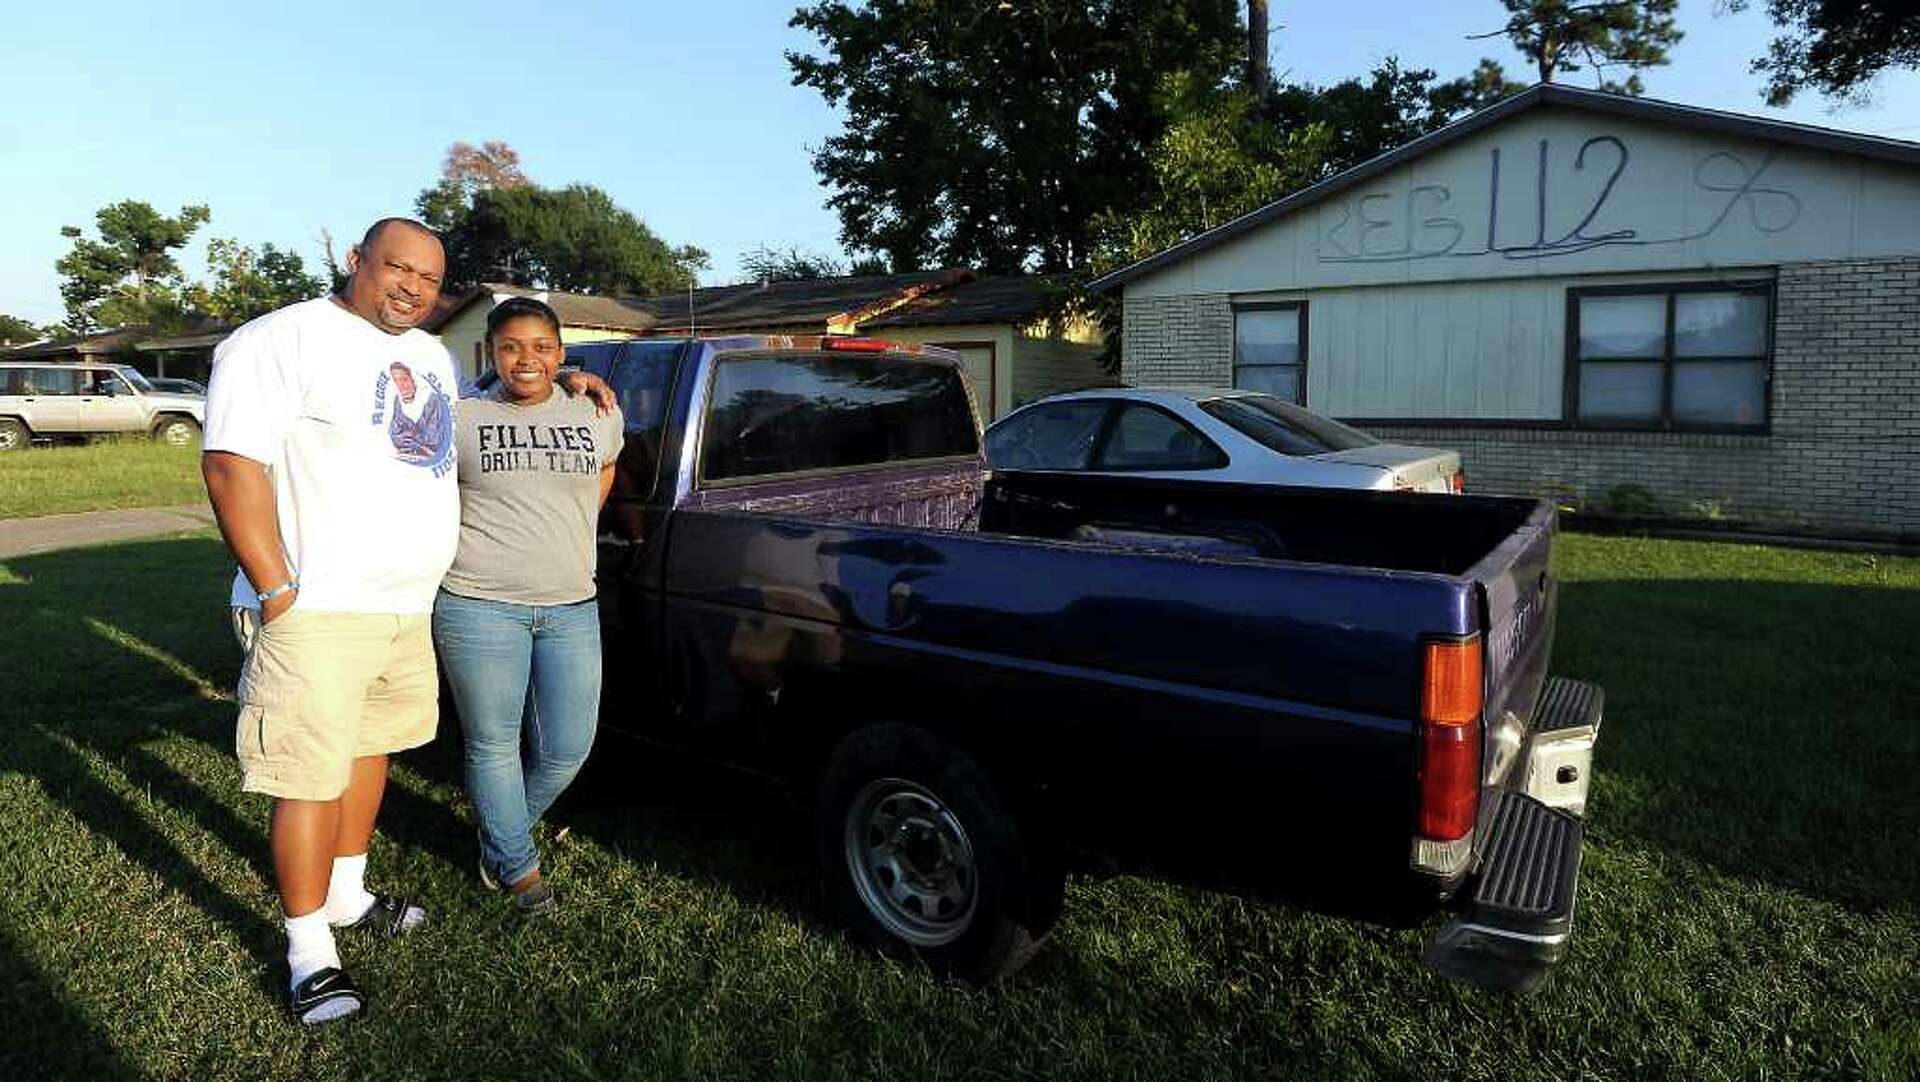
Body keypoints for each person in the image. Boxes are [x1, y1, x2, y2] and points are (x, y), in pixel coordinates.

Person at [201, 218, 609, 1026]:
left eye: (430, 278)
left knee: (368, 755)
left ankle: (348, 896)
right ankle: (309, 952)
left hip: (405, 604)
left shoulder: (428, 355)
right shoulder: (279, 339)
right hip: (317, 606)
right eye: (398, 268)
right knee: (308, 777)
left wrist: (577, 376)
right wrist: (276, 587)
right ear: (355, 261)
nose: (414, 287)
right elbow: (230, 463)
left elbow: (498, 405)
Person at [432, 296, 621, 917]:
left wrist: (574, 519)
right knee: (492, 744)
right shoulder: (462, 416)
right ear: (491, 353)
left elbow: (608, 465)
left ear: (562, 353)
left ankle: (500, 831)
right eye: (511, 347)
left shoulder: (594, 410)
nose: (527, 359)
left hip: (571, 606)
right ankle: (516, 868)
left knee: (569, 747)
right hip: (479, 604)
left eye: (542, 347)